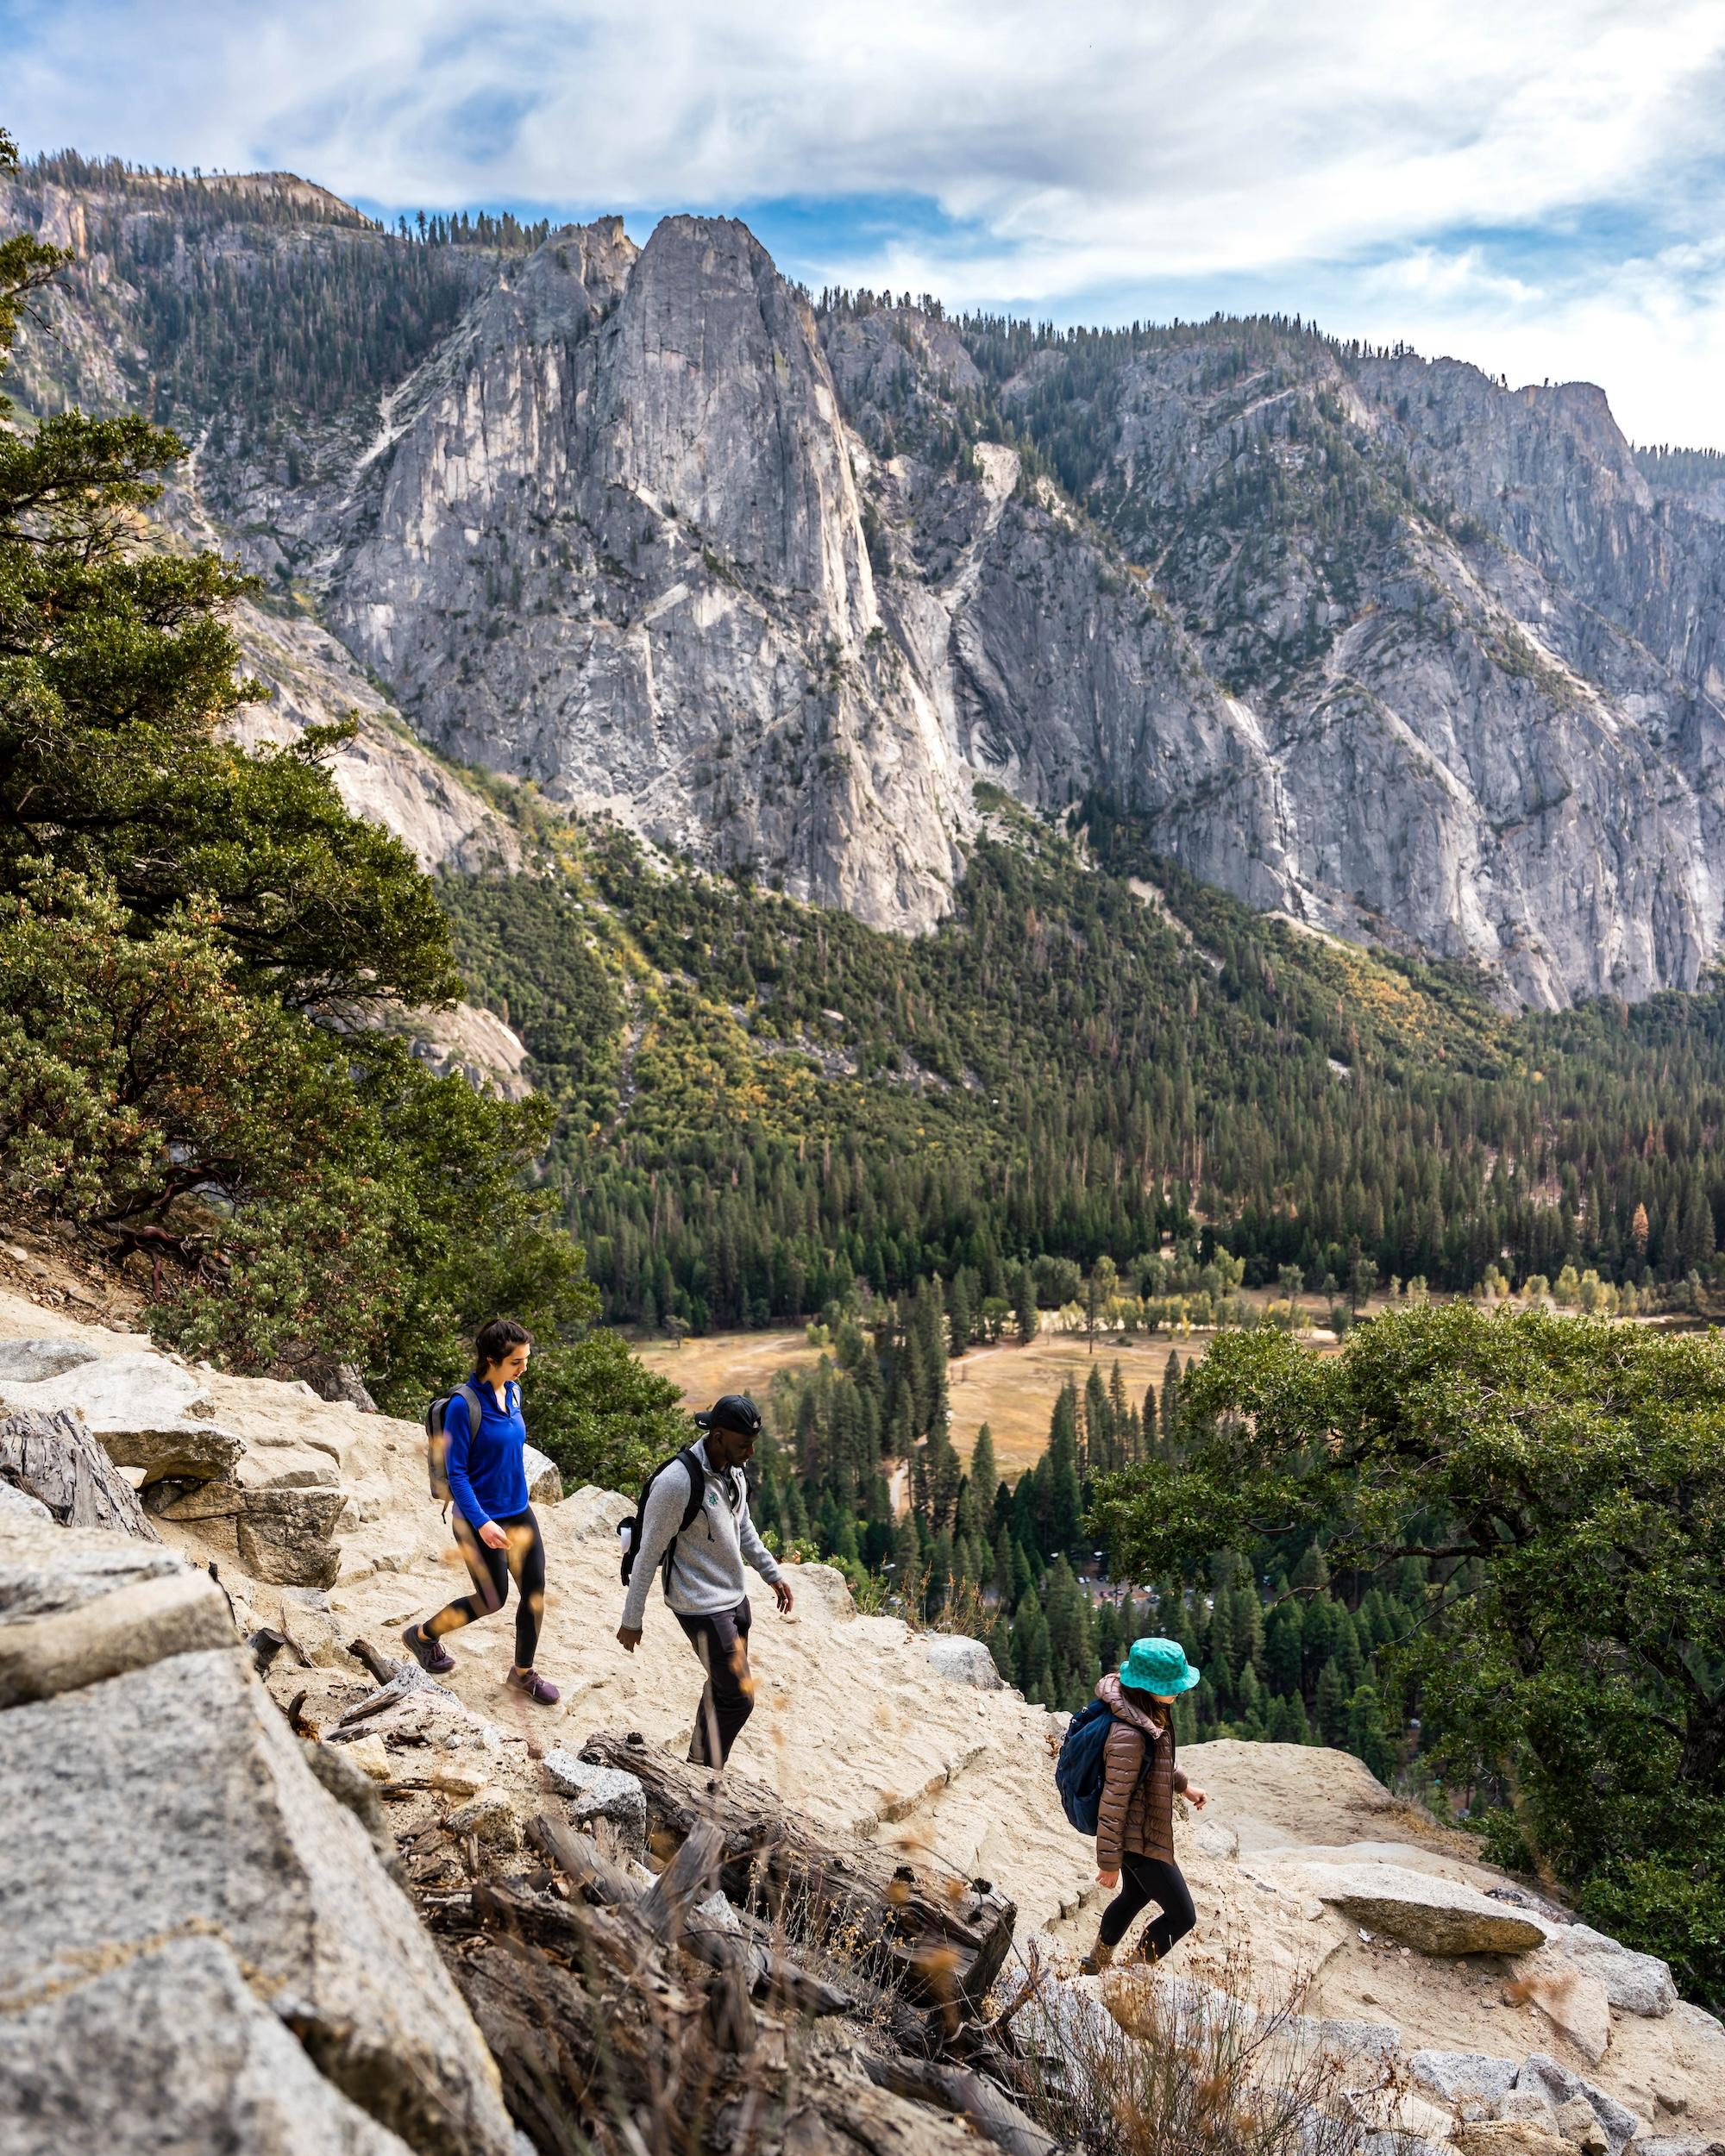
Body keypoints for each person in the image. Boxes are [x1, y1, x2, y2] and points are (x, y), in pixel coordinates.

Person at [616, 1393, 793, 1767]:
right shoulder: (677, 1483)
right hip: (698, 1602)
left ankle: (697, 1762)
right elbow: (648, 1554)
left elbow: (742, 1525)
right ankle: (703, 1769)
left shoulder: (733, 1469)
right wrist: (632, 1620)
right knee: (740, 1697)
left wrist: (771, 1573)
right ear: (718, 1435)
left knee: (721, 1685)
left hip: (732, 1596)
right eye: (744, 1444)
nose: (751, 1452)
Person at [402, 1318, 560, 1705]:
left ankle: (522, 1674)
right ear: (491, 1359)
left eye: (526, 1359)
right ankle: (422, 1636)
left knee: (534, 1594)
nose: (524, 1368)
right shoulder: (463, 1405)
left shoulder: (515, 1392)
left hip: (518, 1511)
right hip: (477, 1519)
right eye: (516, 1362)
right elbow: (456, 1474)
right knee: (492, 1600)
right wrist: (483, 1522)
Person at [1079, 1634, 1208, 1974]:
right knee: (1182, 1916)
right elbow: (1113, 1803)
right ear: (1149, 1685)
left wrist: (1185, 1787)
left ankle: (1096, 1963)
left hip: (1139, 1833)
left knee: (1135, 1896)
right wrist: (1108, 1861)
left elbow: (1157, 1764)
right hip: (1139, 1841)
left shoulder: (1145, 1710)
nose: (1180, 1690)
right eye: (1173, 1684)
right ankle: (1129, 1976)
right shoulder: (1129, 1735)